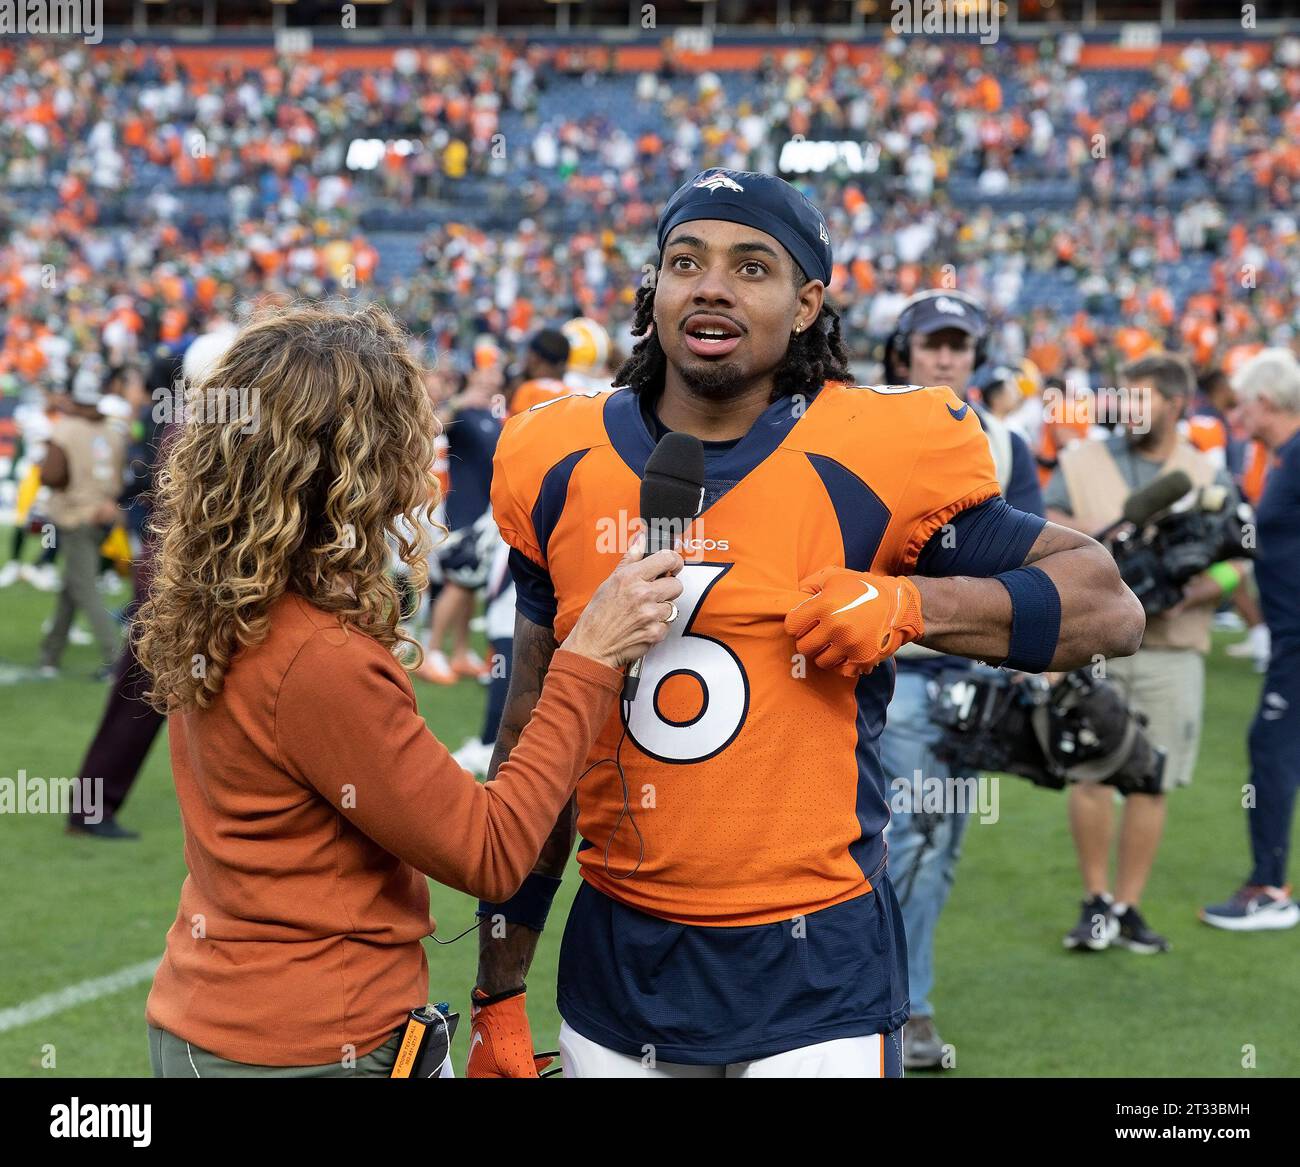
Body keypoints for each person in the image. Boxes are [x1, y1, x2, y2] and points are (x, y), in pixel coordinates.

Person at [468, 169, 1144, 1079]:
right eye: (685, 262)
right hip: (622, 961)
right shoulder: (555, 452)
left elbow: (1106, 602)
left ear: (806, 304)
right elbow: (528, 743)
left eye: (753, 267)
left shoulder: (876, 449)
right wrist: (498, 996)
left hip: (817, 961)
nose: (711, 284)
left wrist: (913, 604)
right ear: (653, 291)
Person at [134, 303, 683, 1077]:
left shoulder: (238, 595)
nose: (423, 453)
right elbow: (491, 851)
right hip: (307, 1042)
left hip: (230, 1018)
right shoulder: (315, 656)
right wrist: (587, 657)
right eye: (404, 431)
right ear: (351, 460)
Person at [877, 290, 1046, 1071]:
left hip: (963, 675)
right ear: (903, 350)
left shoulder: (1006, 443)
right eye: (933, 342)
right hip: (882, 661)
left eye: (959, 344)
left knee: (933, 844)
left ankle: (902, 1000)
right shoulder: (861, 424)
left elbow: (1037, 562)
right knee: (899, 838)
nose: (946, 356)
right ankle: (897, 1005)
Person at [1045, 354, 1241, 953]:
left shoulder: (1207, 471)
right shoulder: (1082, 461)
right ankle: (1096, 902)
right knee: (1091, 774)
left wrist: (1198, 592)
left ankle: (1130, 906)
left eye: (1142, 398)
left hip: (1170, 647)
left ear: (1177, 404)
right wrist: (1106, 533)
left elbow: (1236, 562)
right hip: (1094, 645)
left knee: (1151, 781)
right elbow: (1043, 524)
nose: (1128, 409)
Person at [1201, 348, 1300, 931]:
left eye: (1242, 404)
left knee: (1269, 746)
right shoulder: (1281, 457)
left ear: (1265, 402)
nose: (1237, 415)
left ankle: (1269, 885)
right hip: (1288, 634)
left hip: (1296, 639)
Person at [37, 364, 128, 677]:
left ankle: (116, 657)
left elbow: (50, 475)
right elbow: (119, 477)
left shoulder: (65, 429)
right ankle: (50, 652)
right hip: (105, 514)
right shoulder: (111, 431)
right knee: (72, 585)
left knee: (84, 586)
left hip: (75, 515)